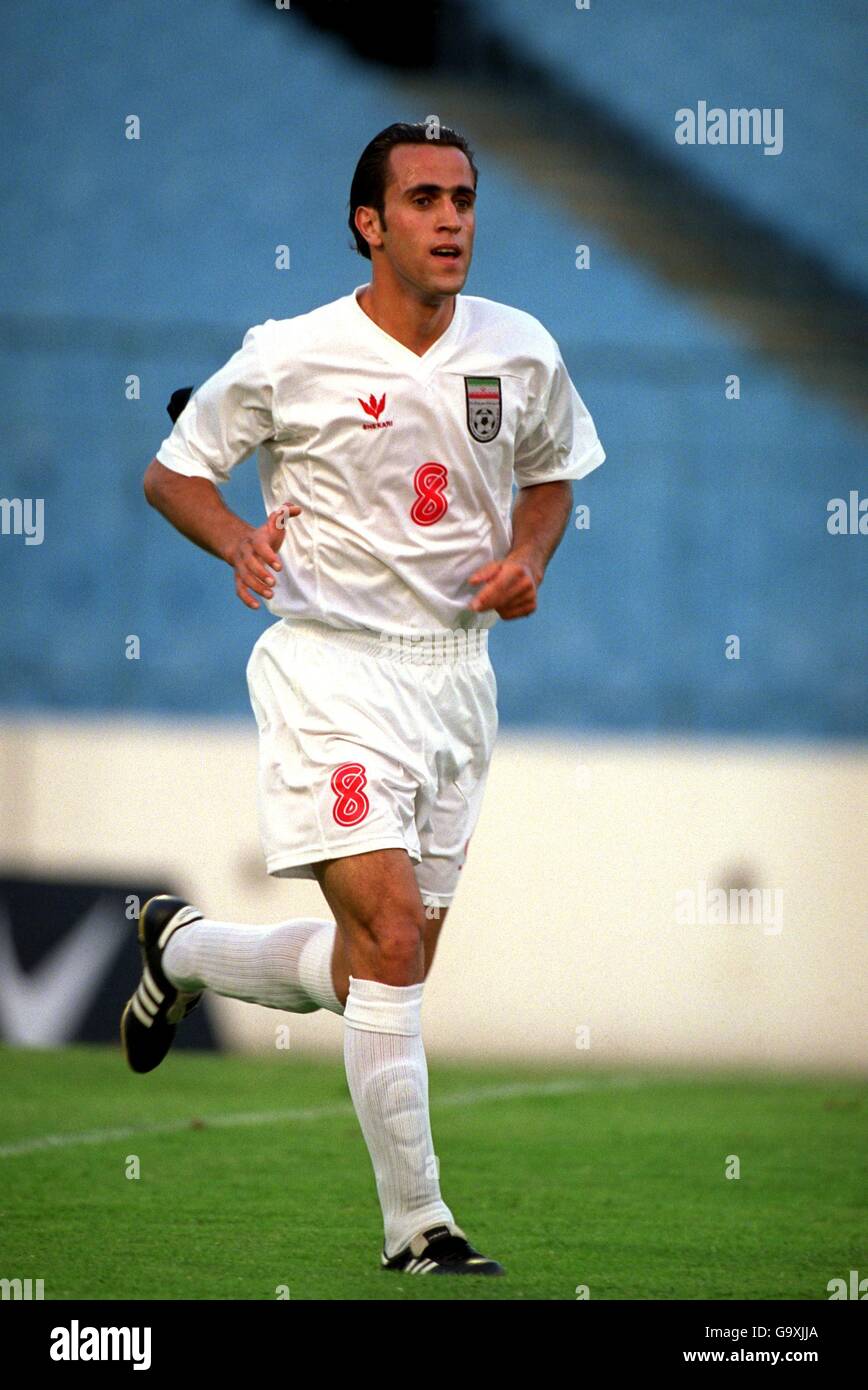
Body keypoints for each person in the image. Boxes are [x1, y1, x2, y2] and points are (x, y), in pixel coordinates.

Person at [120, 121, 605, 1277]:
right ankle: (419, 1227)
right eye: (425, 199)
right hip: (331, 666)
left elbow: (551, 477)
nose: (451, 219)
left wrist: (527, 557)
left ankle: (182, 951)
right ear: (369, 223)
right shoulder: (291, 353)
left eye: (465, 199)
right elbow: (174, 472)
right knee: (388, 938)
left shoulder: (519, 349)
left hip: (457, 680)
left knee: (376, 968)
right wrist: (237, 539)